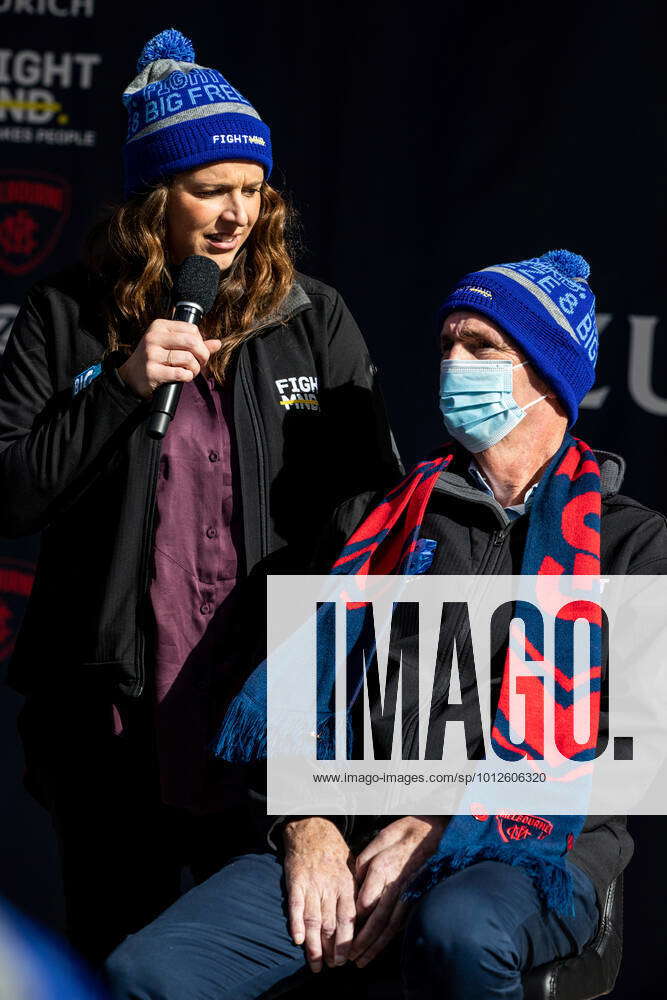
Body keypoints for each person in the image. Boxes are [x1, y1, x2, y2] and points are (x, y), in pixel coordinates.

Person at [105, 249, 667, 1000]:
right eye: (446, 345)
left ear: (547, 375)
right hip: (353, 831)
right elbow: (298, 697)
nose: (453, 364)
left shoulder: (629, 543)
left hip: (530, 843)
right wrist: (303, 825)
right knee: (149, 971)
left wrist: (445, 822)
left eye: (482, 347)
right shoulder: (376, 520)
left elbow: (633, 750)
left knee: (458, 932)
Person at [0, 28, 399, 966]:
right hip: (112, 732)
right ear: (153, 201)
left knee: (255, 974)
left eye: (252, 192)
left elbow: (373, 515)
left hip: (260, 723)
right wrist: (118, 386)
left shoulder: (313, 315)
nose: (235, 216)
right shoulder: (69, 314)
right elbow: (12, 493)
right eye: (208, 191)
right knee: (124, 963)